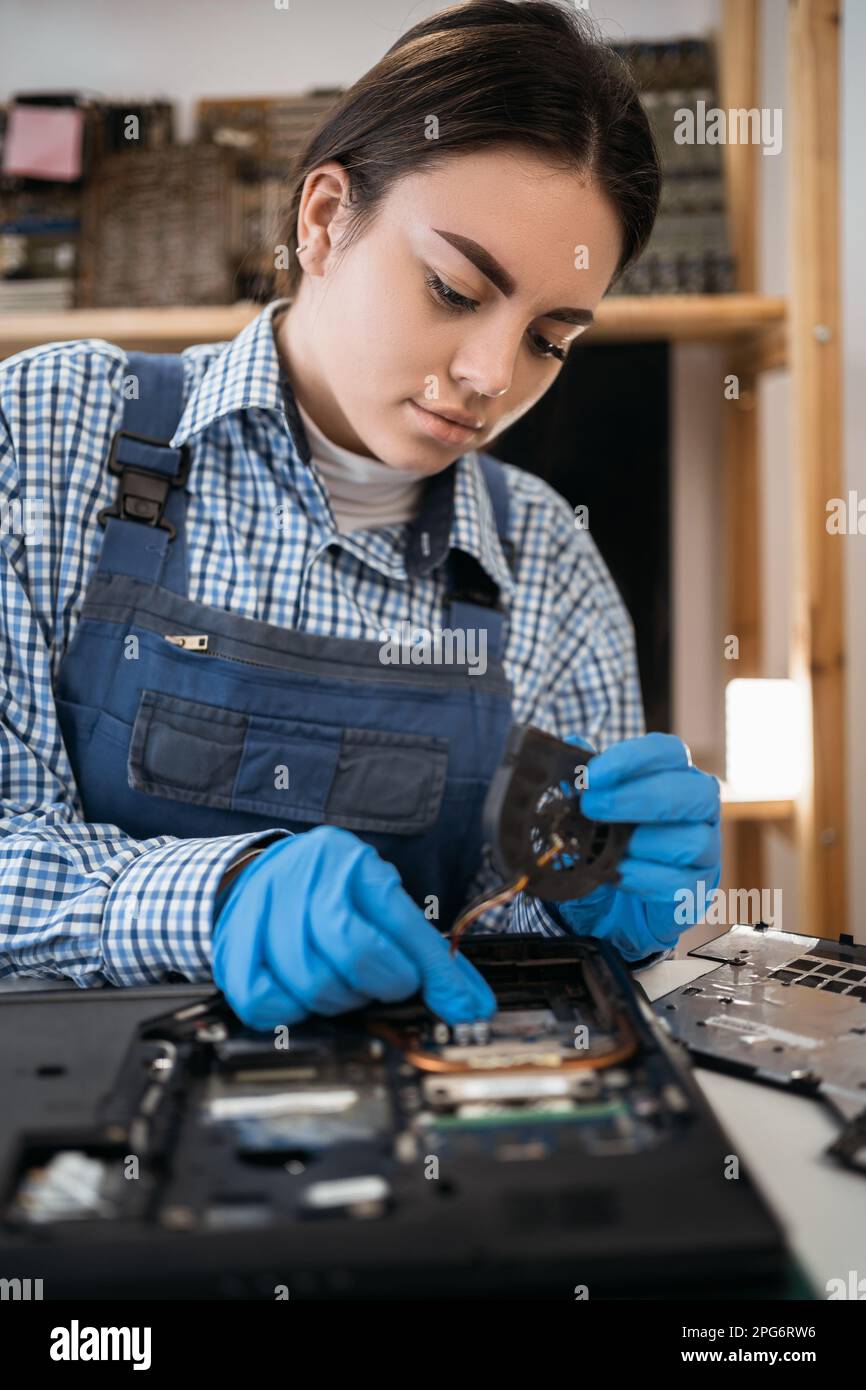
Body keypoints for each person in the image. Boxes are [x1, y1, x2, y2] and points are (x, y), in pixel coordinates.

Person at [0, 1, 720, 1030]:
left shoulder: (551, 562)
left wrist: (600, 909)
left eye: (548, 340)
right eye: (453, 287)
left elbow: (521, 953)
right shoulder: (50, 432)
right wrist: (218, 897)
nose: (488, 376)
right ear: (324, 219)